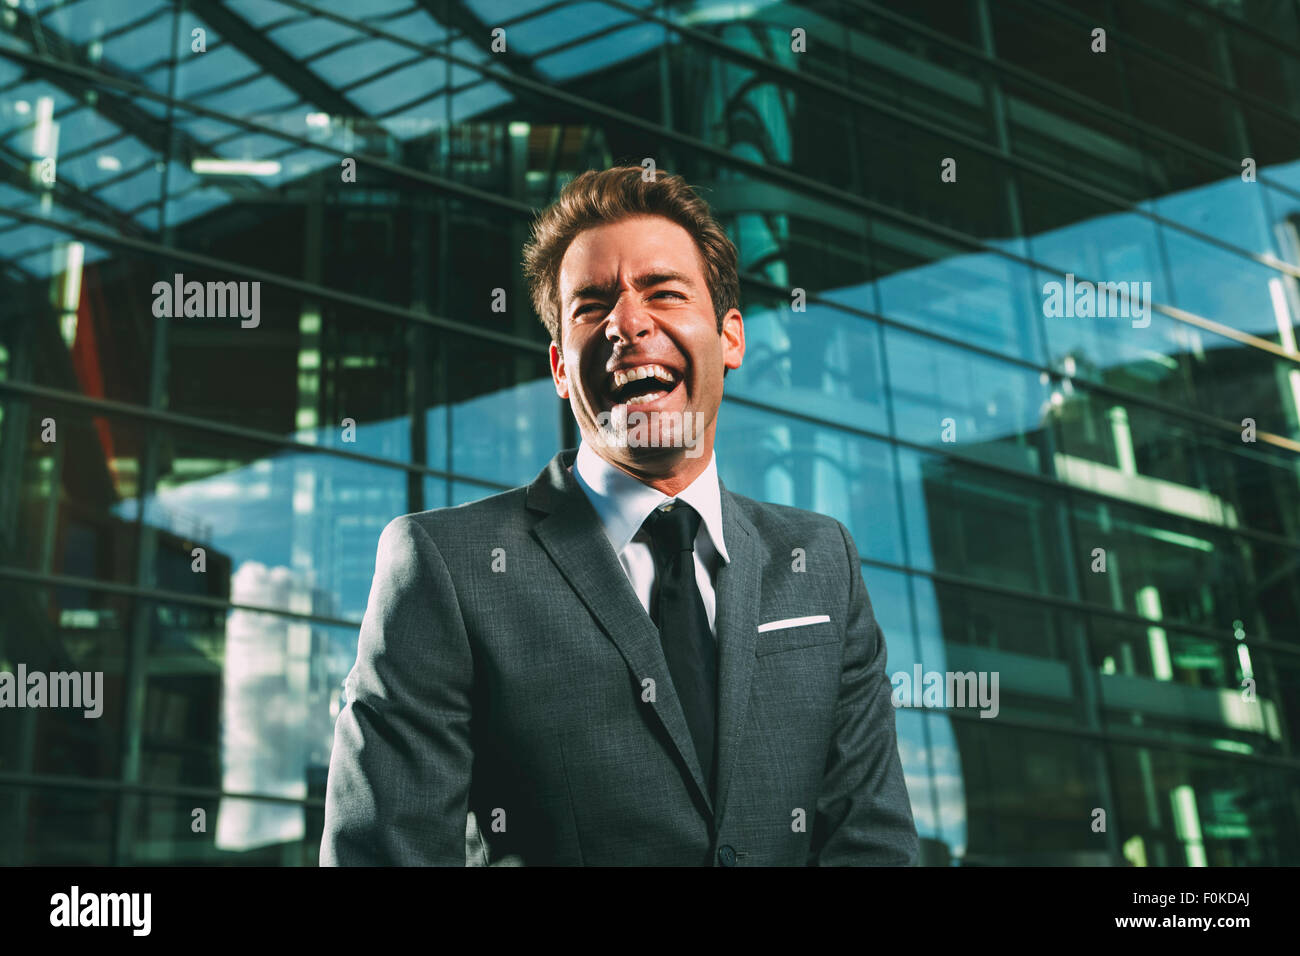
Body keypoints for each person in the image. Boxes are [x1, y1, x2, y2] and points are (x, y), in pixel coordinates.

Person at [321, 165, 918, 866]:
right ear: (559, 367)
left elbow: (871, 845)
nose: (627, 323)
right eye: (591, 305)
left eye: (663, 292)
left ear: (730, 337)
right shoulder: (446, 566)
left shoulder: (822, 562)